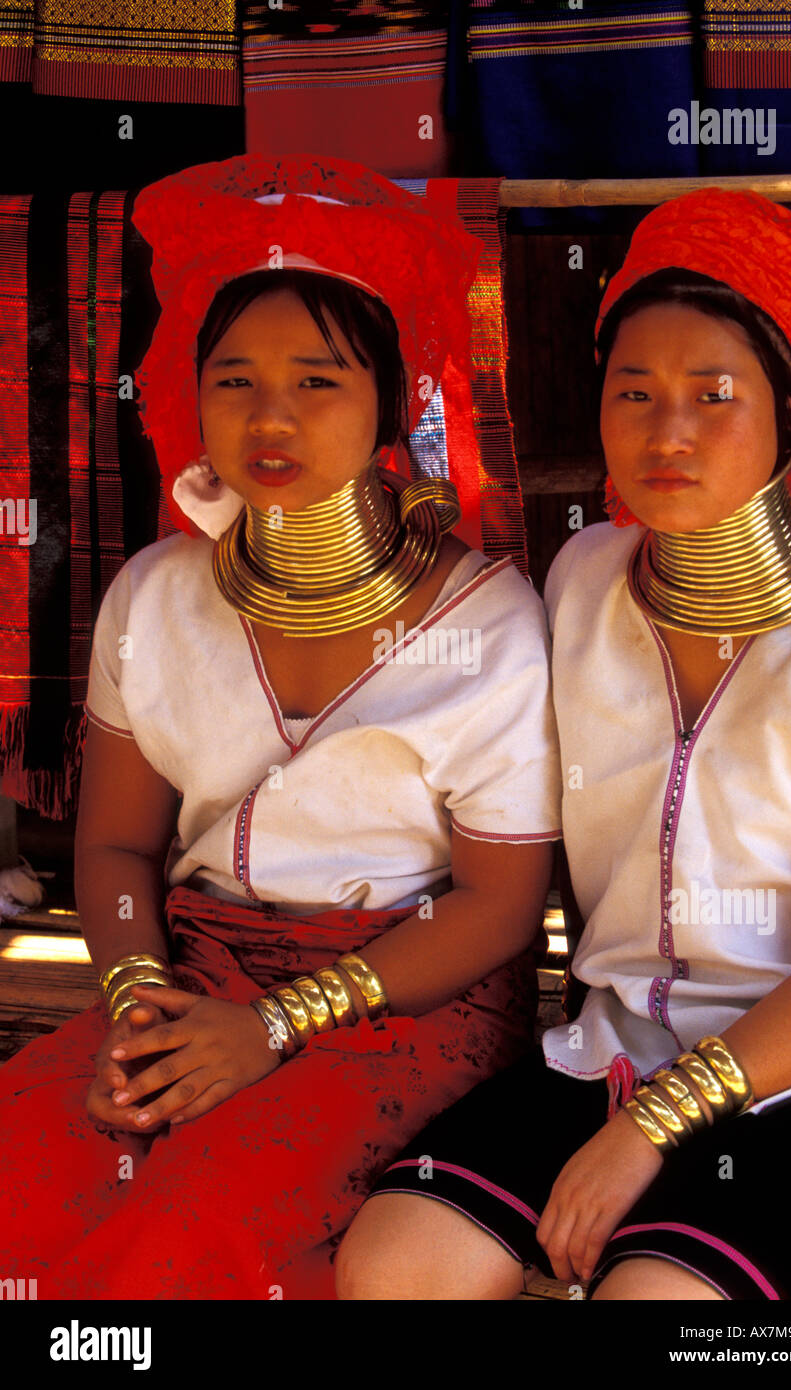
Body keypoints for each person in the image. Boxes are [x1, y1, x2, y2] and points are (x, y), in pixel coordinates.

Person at [0, 156, 562, 1300]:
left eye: (317, 381)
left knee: (192, 1227)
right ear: (186, 393)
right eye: (234, 379)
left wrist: (270, 1029)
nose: (270, 417)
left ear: (393, 399)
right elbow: (114, 851)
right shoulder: (156, 599)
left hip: (405, 997)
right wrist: (141, 1017)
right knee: (25, 1183)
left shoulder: (486, 621)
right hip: (189, 968)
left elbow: (501, 905)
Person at [337, 188, 791, 1302]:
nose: (666, 431)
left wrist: (650, 1133)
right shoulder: (578, 587)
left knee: (653, 1303)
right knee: (391, 1266)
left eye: (713, 395)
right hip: (604, 1046)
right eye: (634, 391)